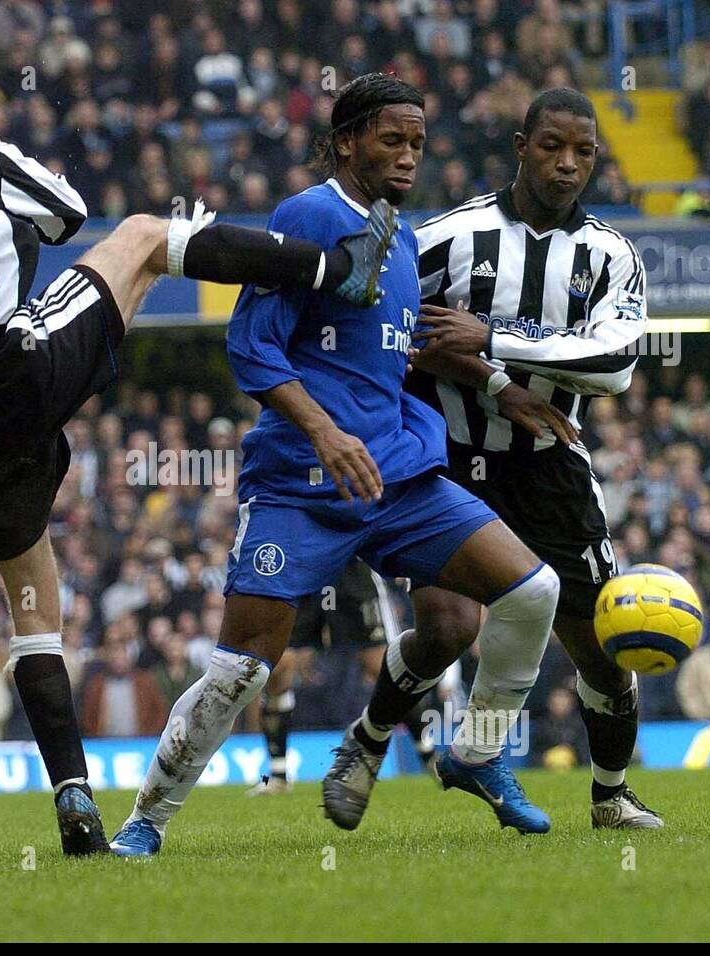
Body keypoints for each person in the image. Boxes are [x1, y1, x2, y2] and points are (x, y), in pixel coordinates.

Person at [0, 45, 395, 856]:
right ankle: (335, 266)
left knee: (31, 608)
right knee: (138, 237)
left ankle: (73, 797)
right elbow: (64, 213)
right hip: (15, 366)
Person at [110, 73, 563, 858]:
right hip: (299, 486)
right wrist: (324, 432)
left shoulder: (403, 234)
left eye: (418, 142)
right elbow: (251, 345)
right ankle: (147, 816)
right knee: (240, 670)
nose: (409, 156)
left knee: (530, 591)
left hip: (399, 476)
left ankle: (481, 748)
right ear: (347, 140)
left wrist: (500, 386)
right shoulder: (310, 216)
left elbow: (407, 348)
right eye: (393, 139)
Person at [387, 87, 660, 830]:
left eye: (584, 151)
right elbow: (395, 327)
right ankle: (384, 743)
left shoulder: (610, 255)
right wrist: (483, 376)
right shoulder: (448, 237)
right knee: (449, 627)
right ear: (519, 145)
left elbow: (617, 361)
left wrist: (493, 342)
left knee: (603, 643)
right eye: (552, 147)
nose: (569, 165)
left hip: (549, 461)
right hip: (447, 459)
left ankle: (611, 793)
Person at [247, 557, 435, 795]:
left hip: (351, 569)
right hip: (302, 569)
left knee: (385, 669)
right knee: (278, 667)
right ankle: (278, 775)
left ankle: (430, 756)